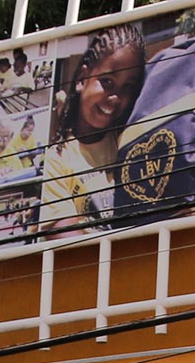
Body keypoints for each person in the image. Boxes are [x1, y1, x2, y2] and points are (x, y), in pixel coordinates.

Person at [38, 23, 145, 236]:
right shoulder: (57, 159)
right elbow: (64, 238)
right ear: (82, 79)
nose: (115, 97)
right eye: (107, 82)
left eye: (127, 88)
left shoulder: (129, 138)